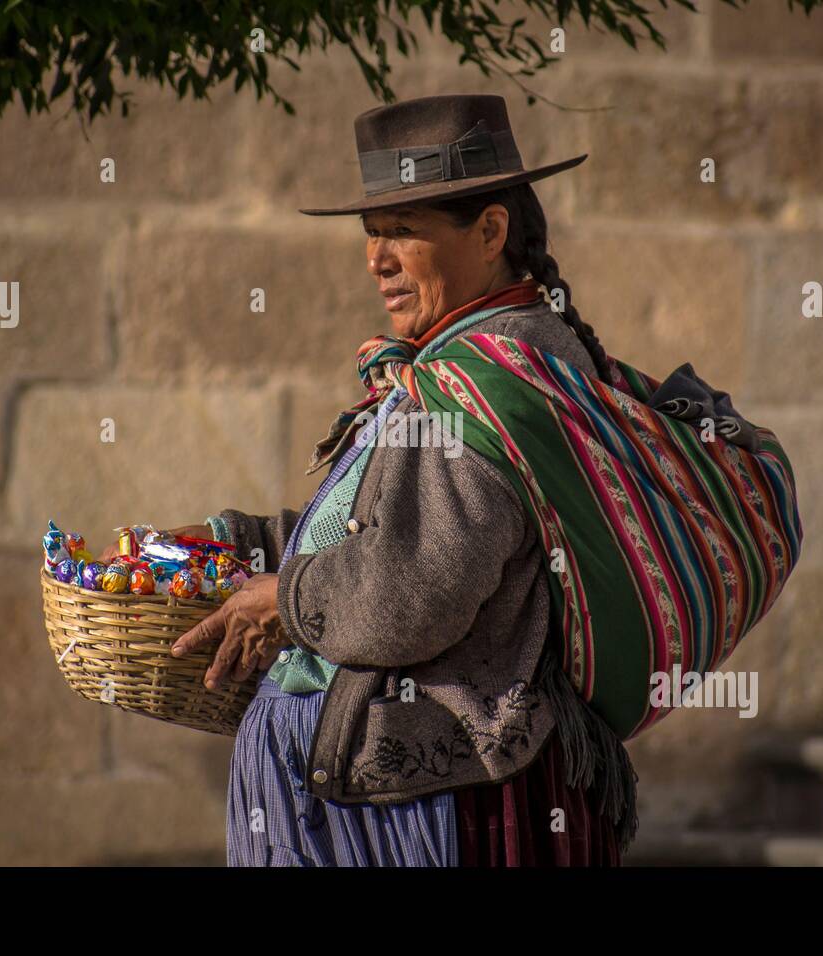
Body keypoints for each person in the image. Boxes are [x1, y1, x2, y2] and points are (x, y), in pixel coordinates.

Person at [168, 94, 638, 866]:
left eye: (402, 233)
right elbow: (379, 531)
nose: (375, 258)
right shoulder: (458, 369)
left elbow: (412, 592)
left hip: (428, 817)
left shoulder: (497, 381)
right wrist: (235, 549)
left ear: (490, 231)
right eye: (371, 234)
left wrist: (283, 601)